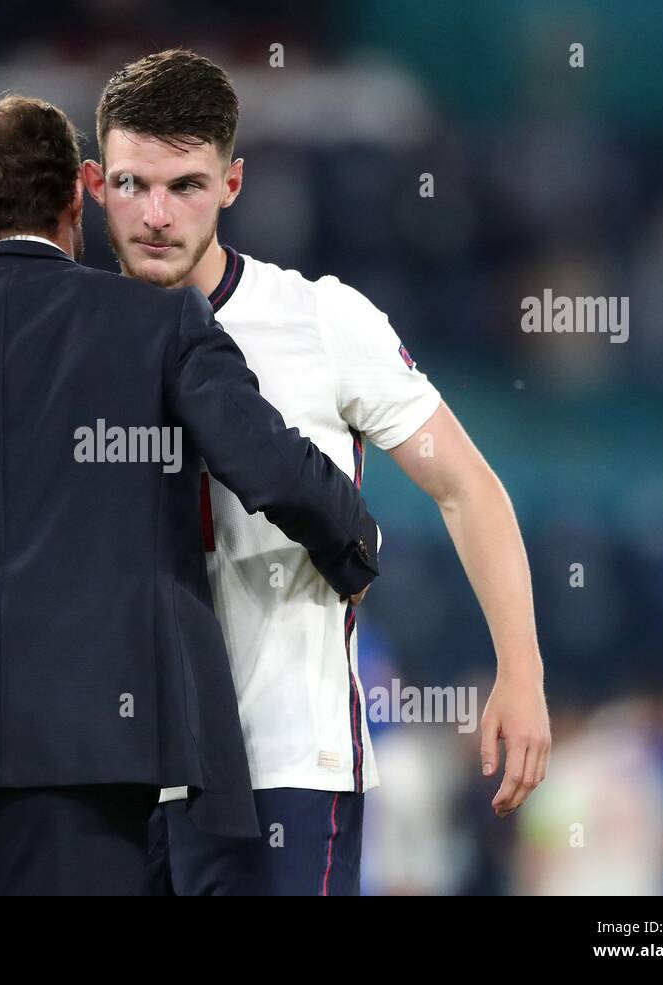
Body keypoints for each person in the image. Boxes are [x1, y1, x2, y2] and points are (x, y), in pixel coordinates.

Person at [0, 93, 381, 895]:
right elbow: (273, 468)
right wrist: (356, 545)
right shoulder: (161, 321)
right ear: (73, 206)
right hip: (88, 756)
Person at [80, 49, 552, 895]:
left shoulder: (322, 321)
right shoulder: (63, 345)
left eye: (185, 185)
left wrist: (520, 669)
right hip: (108, 779)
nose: (156, 213)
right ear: (92, 182)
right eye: (131, 184)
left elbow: (465, 486)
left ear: (232, 184)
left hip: (287, 766)